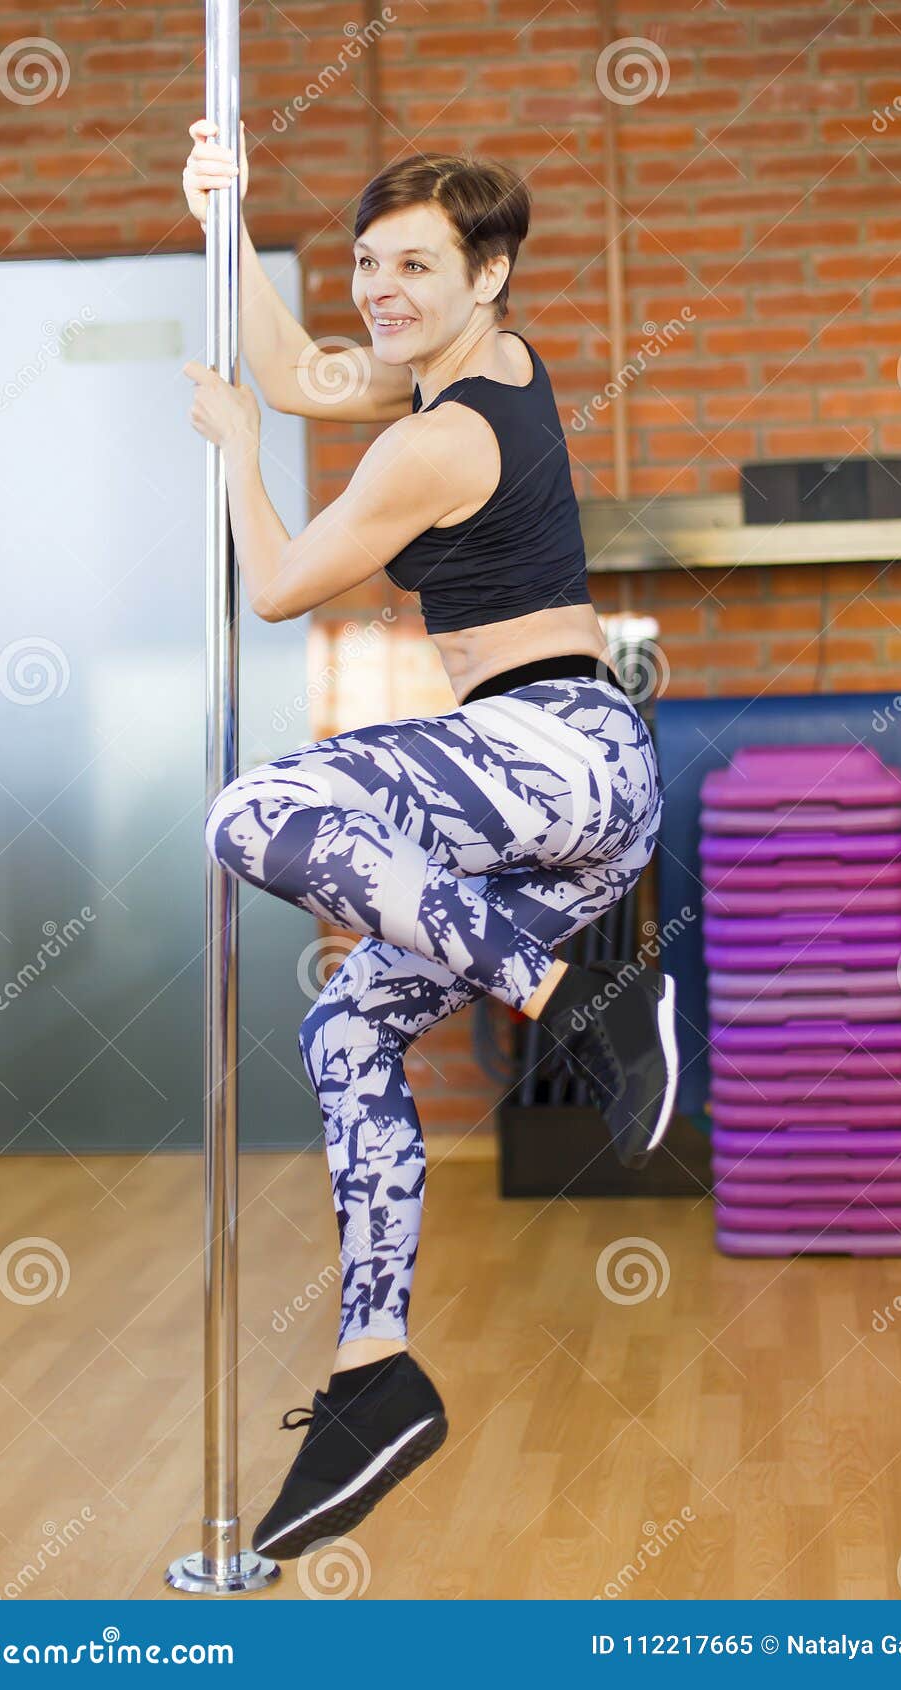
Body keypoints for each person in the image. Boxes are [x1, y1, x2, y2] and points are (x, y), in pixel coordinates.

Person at [181, 123, 679, 1561]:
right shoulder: (470, 372)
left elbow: (275, 580)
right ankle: (376, 1373)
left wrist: (234, 450)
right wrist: (229, 217)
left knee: (258, 811)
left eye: (414, 266)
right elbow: (294, 368)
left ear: (491, 272)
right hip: (557, 824)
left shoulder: (436, 435)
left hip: (558, 755)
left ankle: (585, 997)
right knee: (344, 1034)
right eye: (362, 263)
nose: (379, 289)